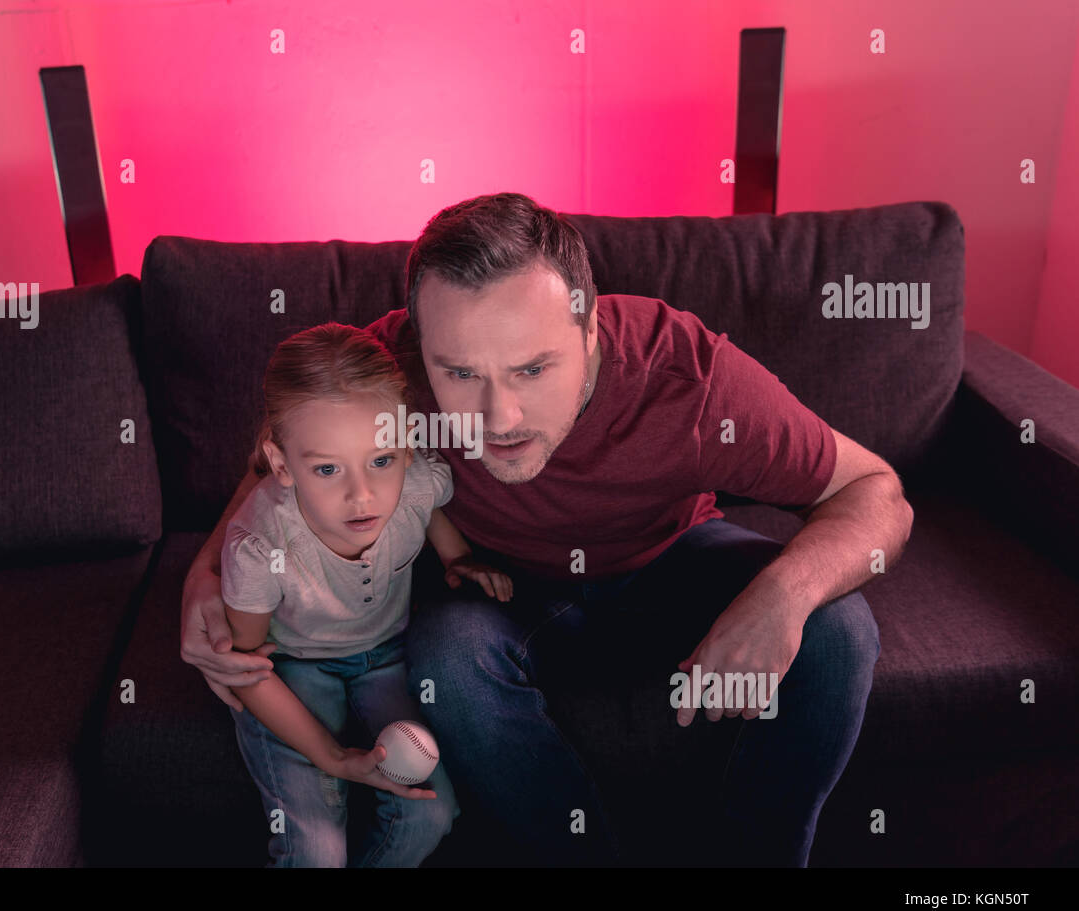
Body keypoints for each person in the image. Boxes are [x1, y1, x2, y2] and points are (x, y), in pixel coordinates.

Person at [183, 193, 913, 867]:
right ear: (421, 344)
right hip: (508, 588)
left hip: (665, 560)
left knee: (839, 629)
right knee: (443, 655)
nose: (498, 417)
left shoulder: (688, 376)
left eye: (533, 368)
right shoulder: (390, 365)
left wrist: (784, 593)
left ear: (589, 328)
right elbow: (277, 467)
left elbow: (878, 491)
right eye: (460, 373)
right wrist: (203, 583)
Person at [218, 322, 513, 867]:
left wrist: (457, 559)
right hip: (293, 667)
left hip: (386, 657)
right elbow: (247, 668)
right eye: (327, 469)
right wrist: (333, 758)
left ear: (406, 447)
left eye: (381, 459)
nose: (362, 495)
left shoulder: (414, 482)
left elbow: (429, 511)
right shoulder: (258, 545)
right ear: (282, 464)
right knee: (315, 850)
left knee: (432, 810)